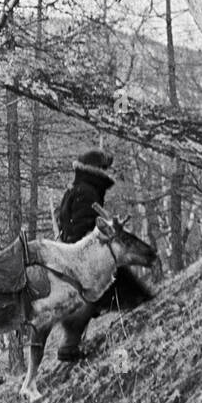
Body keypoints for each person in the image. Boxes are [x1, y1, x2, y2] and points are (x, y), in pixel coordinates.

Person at [54, 148, 154, 362]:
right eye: (106, 168)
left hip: (77, 260)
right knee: (110, 292)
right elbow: (82, 230)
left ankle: (69, 346)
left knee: (91, 298)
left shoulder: (77, 189)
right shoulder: (87, 192)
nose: (110, 173)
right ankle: (142, 318)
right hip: (88, 261)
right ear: (96, 170)